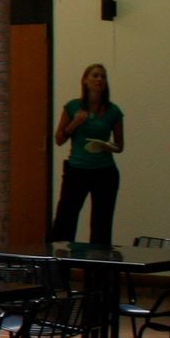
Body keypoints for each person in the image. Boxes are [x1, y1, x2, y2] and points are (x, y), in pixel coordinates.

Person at [49, 63, 123, 245]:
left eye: (103, 77)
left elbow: (120, 146)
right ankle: (59, 268)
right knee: (65, 219)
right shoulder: (73, 107)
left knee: (101, 223)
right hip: (77, 170)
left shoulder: (113, 111)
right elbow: (59, 139)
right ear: (85, 81)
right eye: (95, 76)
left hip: (105, 172)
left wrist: (107, 146)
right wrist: (75, 123)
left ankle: (98, 271)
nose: (99, 80)